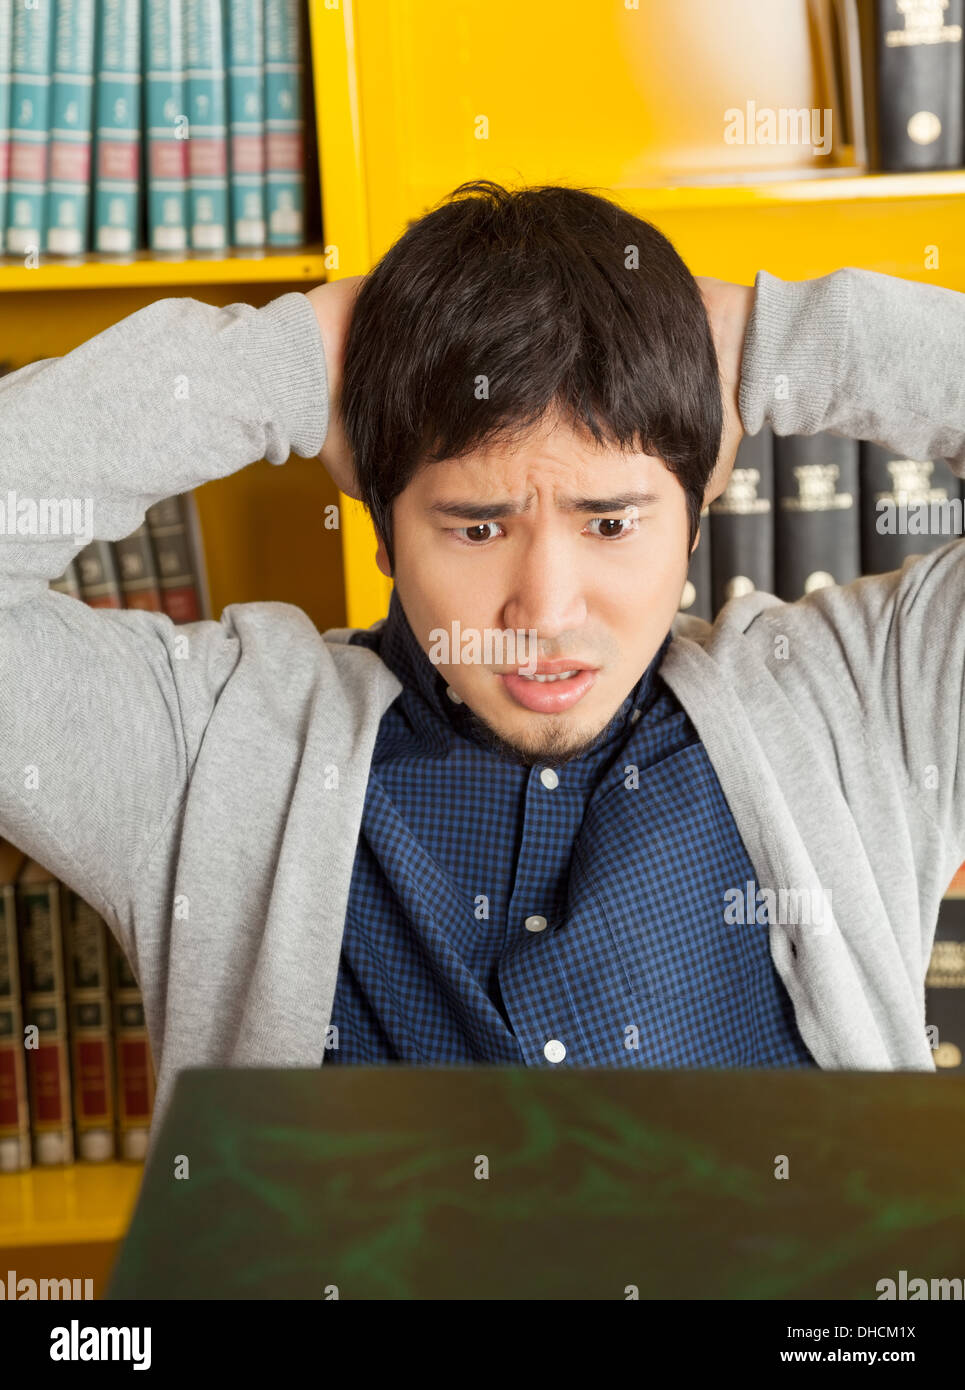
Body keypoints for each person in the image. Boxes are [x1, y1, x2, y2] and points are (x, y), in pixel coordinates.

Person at [2, 180, 963, 1145]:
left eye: (613, 522)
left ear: (694, 519)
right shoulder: (203, 752)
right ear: (382, 530)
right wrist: (285, 364)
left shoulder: (863, 707)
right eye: (475, 527)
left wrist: (777, 343)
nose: (544, 610)